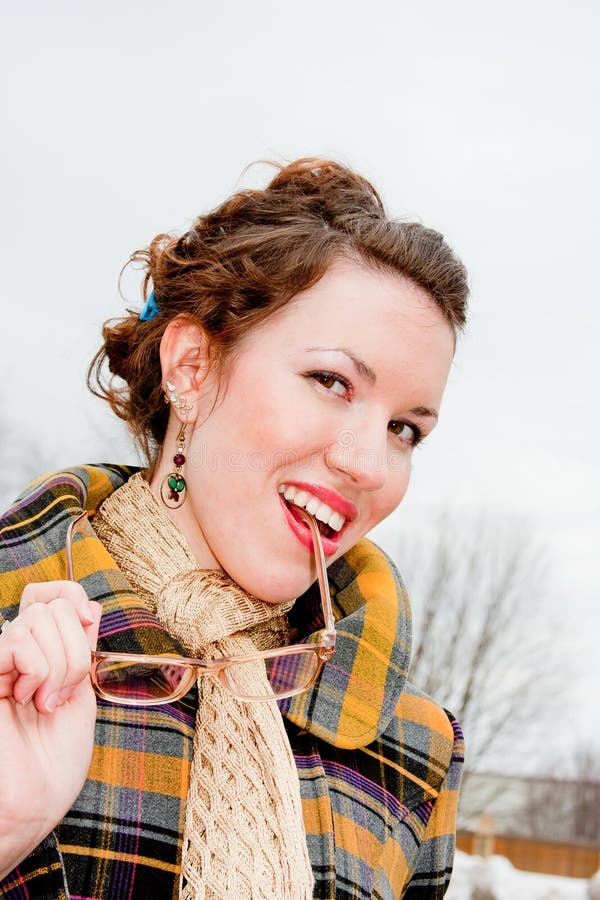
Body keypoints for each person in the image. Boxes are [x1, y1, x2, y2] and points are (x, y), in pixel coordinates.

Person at [0, 158, 467, 900]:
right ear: (191, 365)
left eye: (405, 428)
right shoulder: (10, 640)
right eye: (332, 381)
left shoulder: (415, 751)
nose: (369, 465)